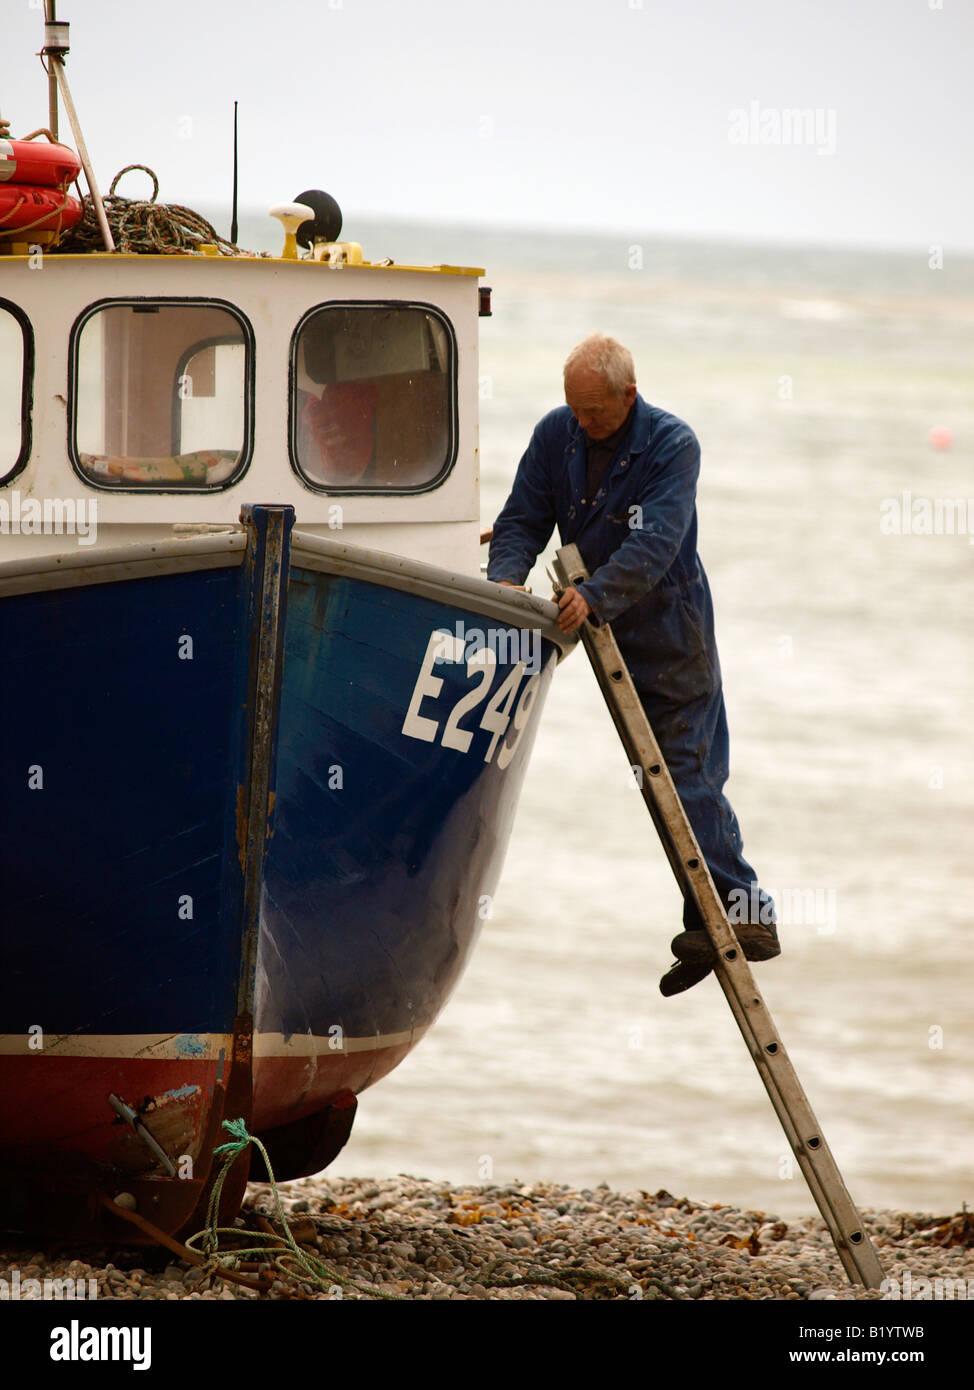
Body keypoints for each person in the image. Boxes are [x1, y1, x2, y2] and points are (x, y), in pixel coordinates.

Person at [487, 334, 779, 995]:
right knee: (657, 783)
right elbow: (521, 520)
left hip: (671, 631)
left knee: (688, 774)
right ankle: (708, 921)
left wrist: (592, 596)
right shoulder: (555, 434)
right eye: (576, 411)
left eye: (596, 413)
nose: (584, 425)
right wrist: (506, 580)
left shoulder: (674, 445)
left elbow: (656, 543)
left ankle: (749, 915)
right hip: (607, 628)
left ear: (630, 394)